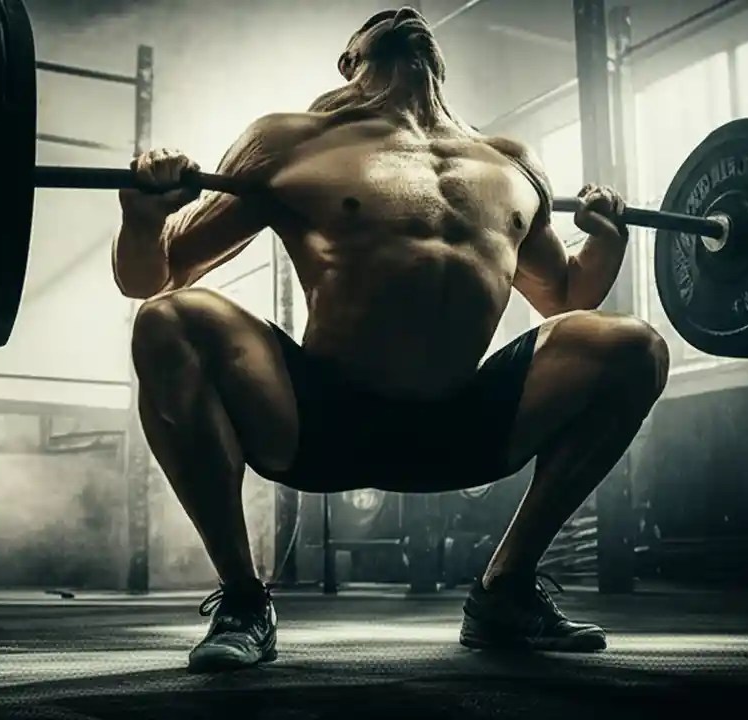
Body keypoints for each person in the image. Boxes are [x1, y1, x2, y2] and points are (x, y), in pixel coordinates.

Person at [114, 6, 669, 674]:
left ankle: (505, 591)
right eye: (380, 18)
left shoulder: (512, 162)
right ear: (349, 63)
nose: (403, 11)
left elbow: (566, 295)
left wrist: (606, 242)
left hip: (462, 425)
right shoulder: (293, 141)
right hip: (318, 422)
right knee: (167, 321)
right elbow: (154, 277)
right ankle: (242, 599)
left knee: (634, 347)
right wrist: (143, 218)